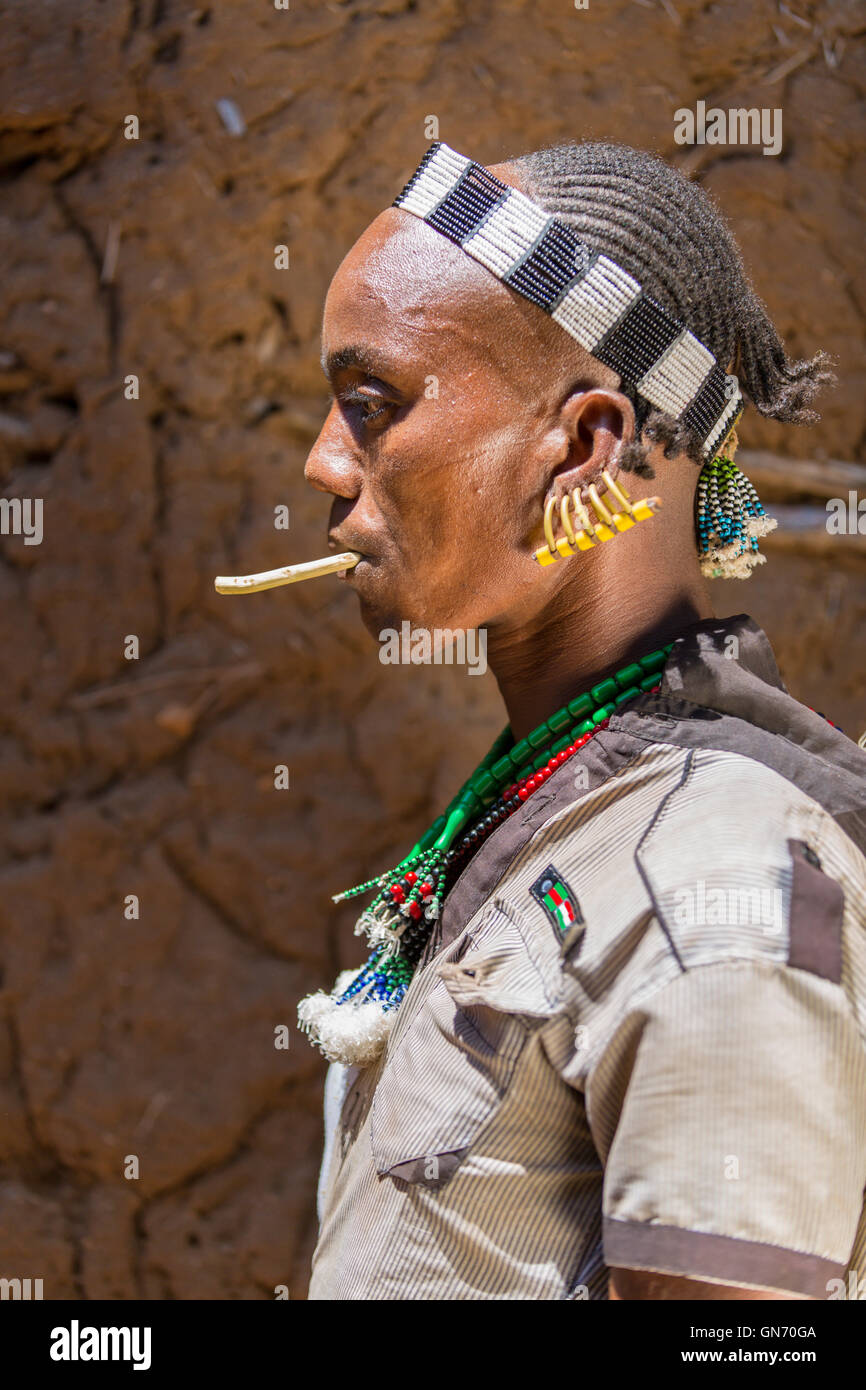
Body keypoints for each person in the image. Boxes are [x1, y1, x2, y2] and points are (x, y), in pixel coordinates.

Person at [297, 140, 866, 1300]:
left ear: (583, 448)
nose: (321, 464)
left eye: (371, 406)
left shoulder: (717, 873)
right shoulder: (564, 806)